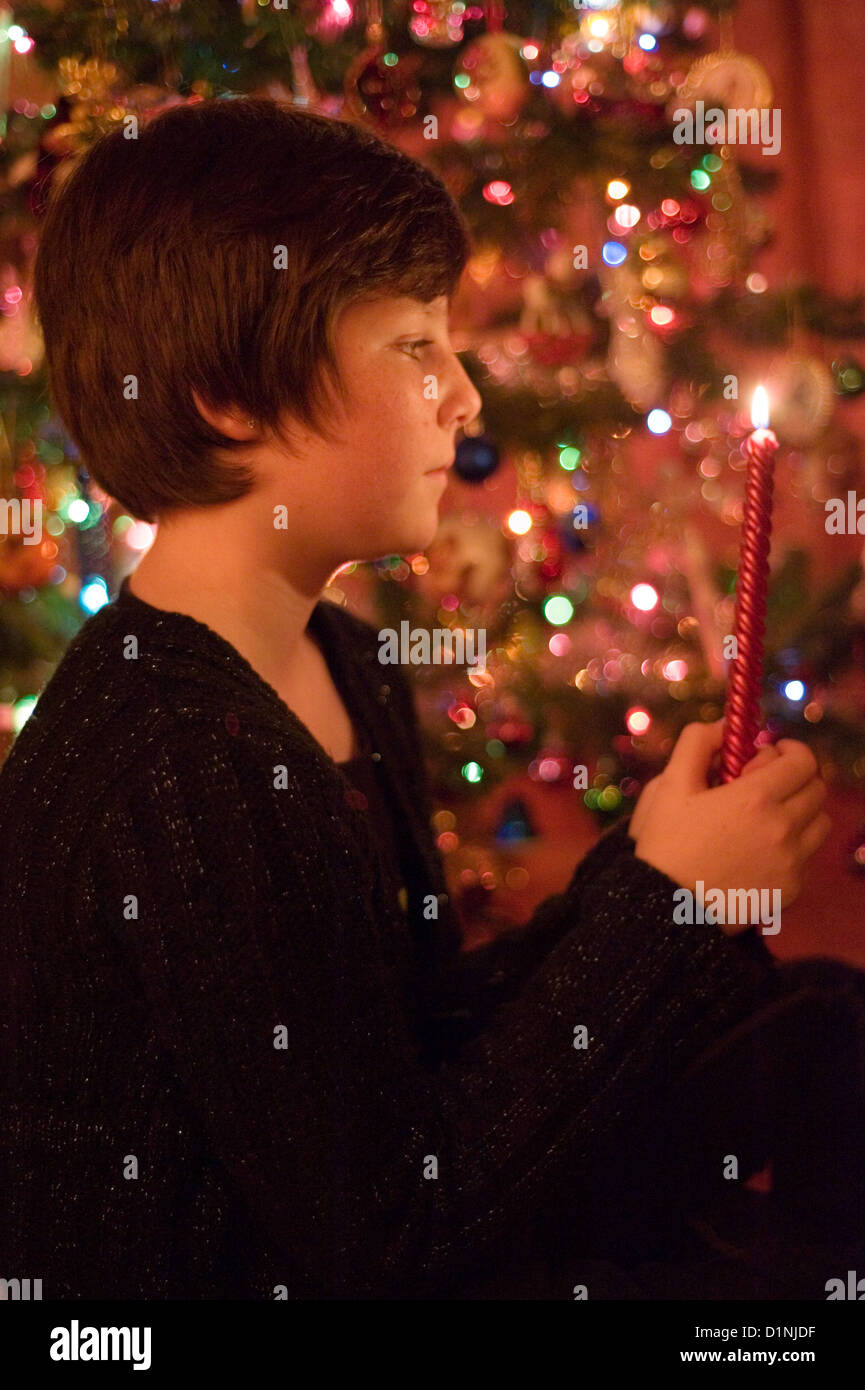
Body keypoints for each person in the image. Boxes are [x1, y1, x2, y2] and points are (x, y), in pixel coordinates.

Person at [0, 97, 861, 1302]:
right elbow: (388, 1240)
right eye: (415, 347)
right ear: (226, 396)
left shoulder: (339, 663)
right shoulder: (174, 758)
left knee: (827, 1027)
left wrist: (657, 879)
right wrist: (668, 912)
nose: (464, 398)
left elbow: (409, 1042)